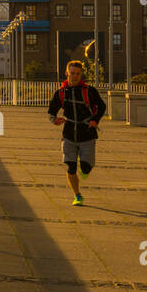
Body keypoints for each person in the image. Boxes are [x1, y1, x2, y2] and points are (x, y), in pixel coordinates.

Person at [46, 60, 106, 206]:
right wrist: (55, 120)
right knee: (70, 166)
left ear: (81, 75)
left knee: (86, 167)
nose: (75, 76)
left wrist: (95, 120)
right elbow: (51, 112)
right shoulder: (60, 93)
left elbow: (102, 106)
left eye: (78, 74)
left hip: (87, 133)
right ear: (67, 73)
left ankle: (85, 169)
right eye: (72, 73)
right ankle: (77, 195)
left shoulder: (89, 91)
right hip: (69, 134)